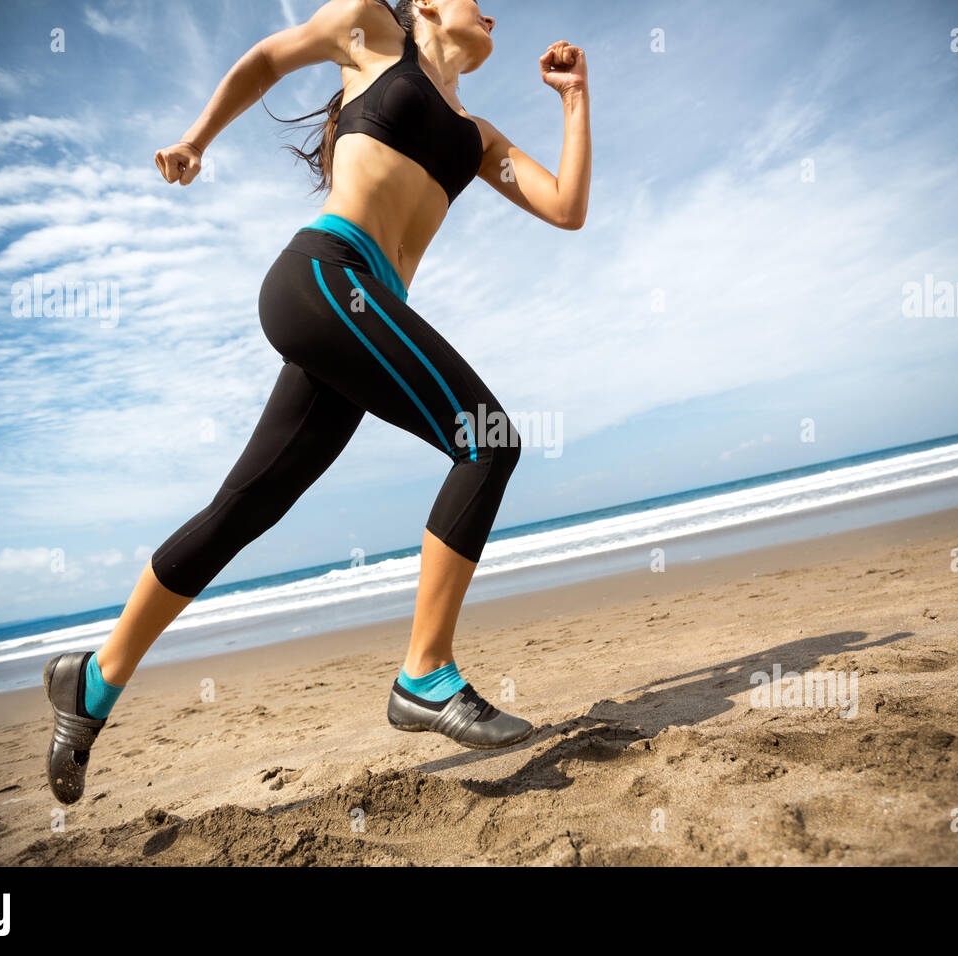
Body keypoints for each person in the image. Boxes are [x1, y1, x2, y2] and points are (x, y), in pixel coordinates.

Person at [43, 0, 590, 804]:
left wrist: (575, 98)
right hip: (327, 278)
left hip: (359, 316)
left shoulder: (479, 140)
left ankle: (90, 681)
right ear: (430, 3)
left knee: (244, 507)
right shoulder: (372, 28)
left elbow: (566, 206)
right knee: (487, 437)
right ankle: (424, 673)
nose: (496, 11)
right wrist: (197, 139)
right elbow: (269, 59)